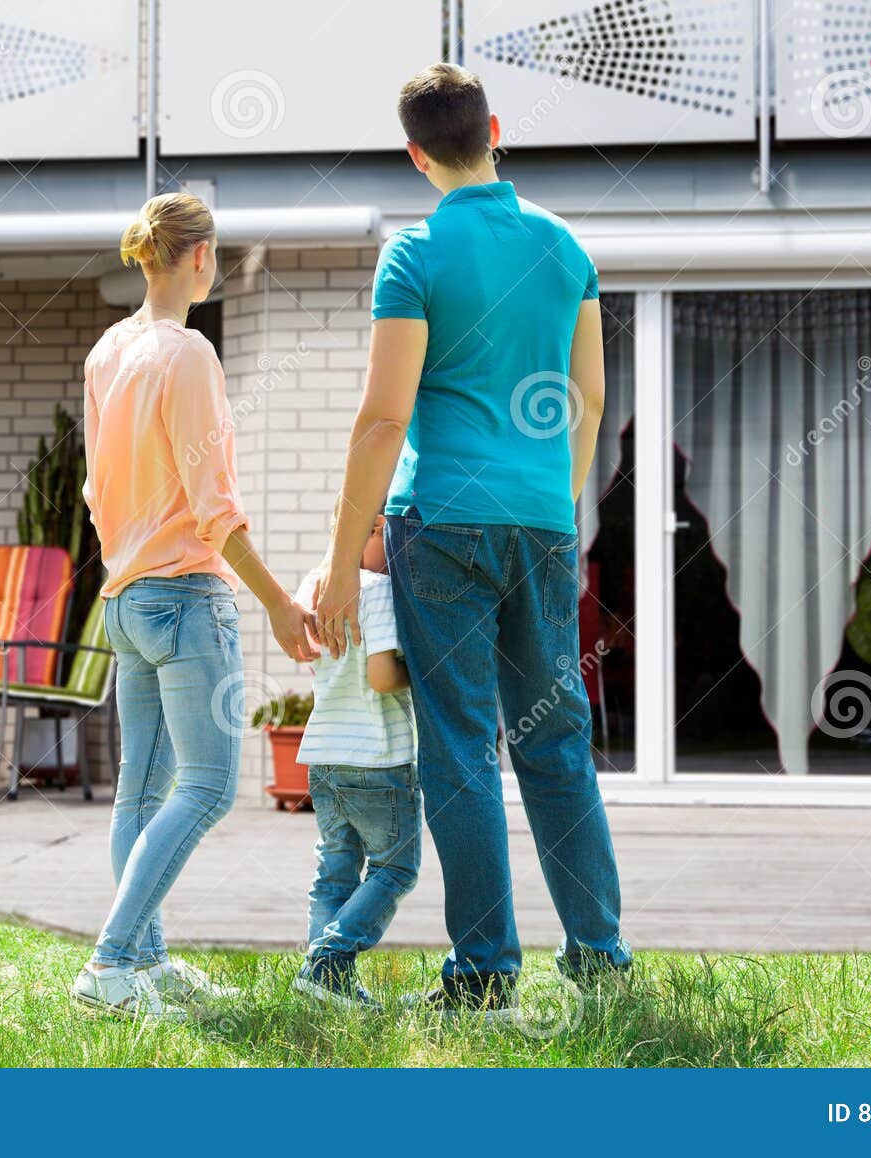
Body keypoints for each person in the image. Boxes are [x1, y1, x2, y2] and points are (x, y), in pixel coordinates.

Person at [314, 64, 630, 1018]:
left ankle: (486, 971)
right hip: (541, 523)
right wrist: (556, 503)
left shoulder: (412, 256)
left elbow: (381, 420)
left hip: (441, 524)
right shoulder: (565, 244)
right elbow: (593, 398)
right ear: (495, 129)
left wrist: (338, 567)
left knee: (457, 746)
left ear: (416, 155)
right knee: (556, 741)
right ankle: (600, 960)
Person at [72, 192, 318, 1020]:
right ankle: (110, 962)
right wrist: (281, 603)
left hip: (127, 599)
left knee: (140, 794)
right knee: (209, 787)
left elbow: (93, 491)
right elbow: (216, 508)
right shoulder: (189, 356)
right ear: (201, 257)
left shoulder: (108, 351)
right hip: (184, 596)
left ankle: (143, 964)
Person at [291, 516, 421, 1009]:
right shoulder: (378, 590)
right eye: (391, 536)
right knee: (395, 869)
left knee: (334, 871)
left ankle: (325, 985)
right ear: (367, 531)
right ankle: (327, 960)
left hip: (324, 754)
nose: (399, 550)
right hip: (377, 757)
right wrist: (425, 673)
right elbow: (383, 677)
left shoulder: (315, 583)